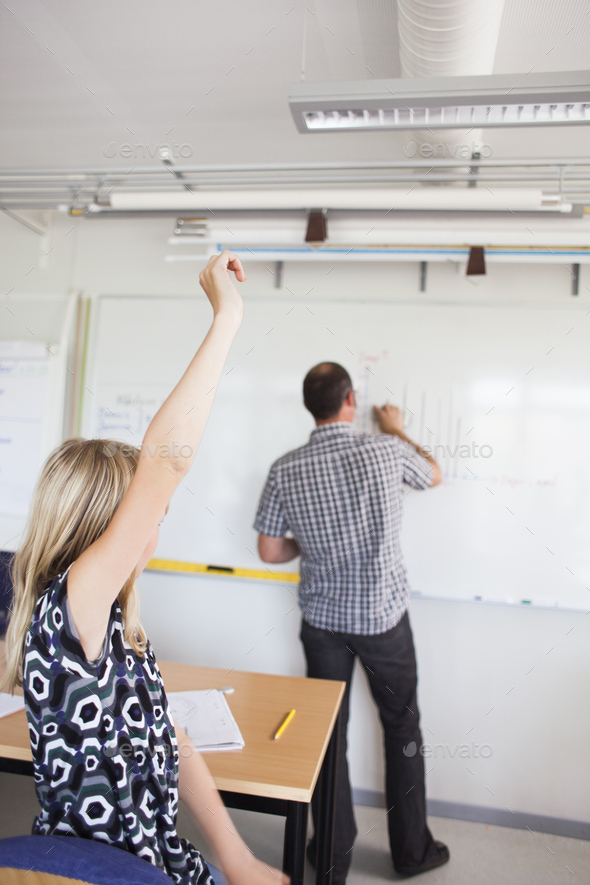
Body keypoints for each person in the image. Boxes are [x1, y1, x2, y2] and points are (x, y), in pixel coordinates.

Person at [2, 252, 287, 885]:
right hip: (93, 872)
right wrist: (227, 318)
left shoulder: (119, 632)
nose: (157, 521)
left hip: (154, 860)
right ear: (109, 530)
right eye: (145, 513)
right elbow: (166, 461)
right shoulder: (71, 611)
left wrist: (238, 859)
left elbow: (171, 738)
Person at [254, 362, 450, 881]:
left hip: (323, 622)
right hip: (383, 620)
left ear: (307, 406)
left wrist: (315, 545)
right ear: (350, 400)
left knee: (326, 736)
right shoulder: (385, 450)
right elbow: (434, 474)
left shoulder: (285, 468)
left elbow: (270, 551)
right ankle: (412, 852)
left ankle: (332, 853)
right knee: (402, 726)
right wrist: (395, 427)